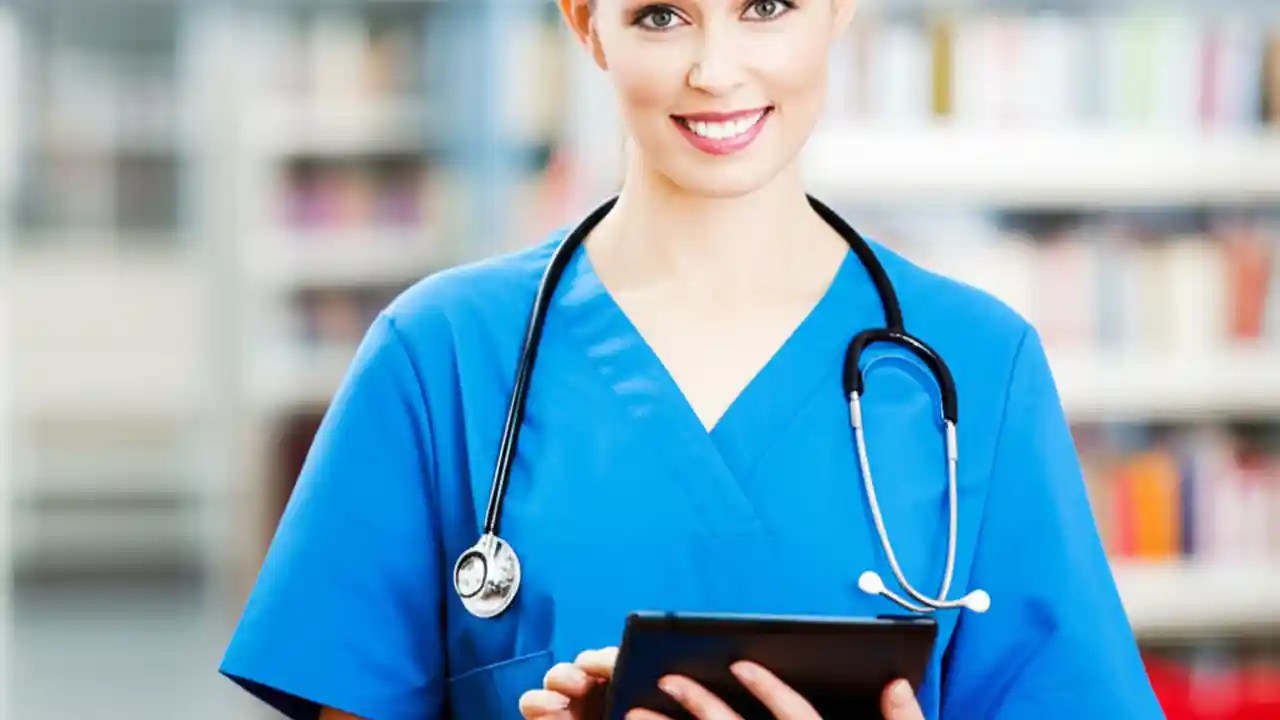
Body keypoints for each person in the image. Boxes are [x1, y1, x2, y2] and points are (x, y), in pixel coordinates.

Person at [219, 0, 1166, 718]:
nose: (717, 70)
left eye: (765, 6)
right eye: (662, 15)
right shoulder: (439, 357)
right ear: (586, 24)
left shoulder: (976, 363)